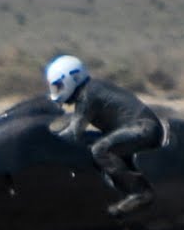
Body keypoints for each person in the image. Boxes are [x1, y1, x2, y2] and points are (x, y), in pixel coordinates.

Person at [46, 54, 164, 217]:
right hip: (140, 127)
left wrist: (46, 141)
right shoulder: (91, 90)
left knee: (100, 150)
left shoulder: (88, 95)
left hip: (143, 129)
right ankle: (116, 194)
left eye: (58, 86)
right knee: (96, 145)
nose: (57, 93)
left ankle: (140, 192)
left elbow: (74, 132)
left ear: (72, 78)